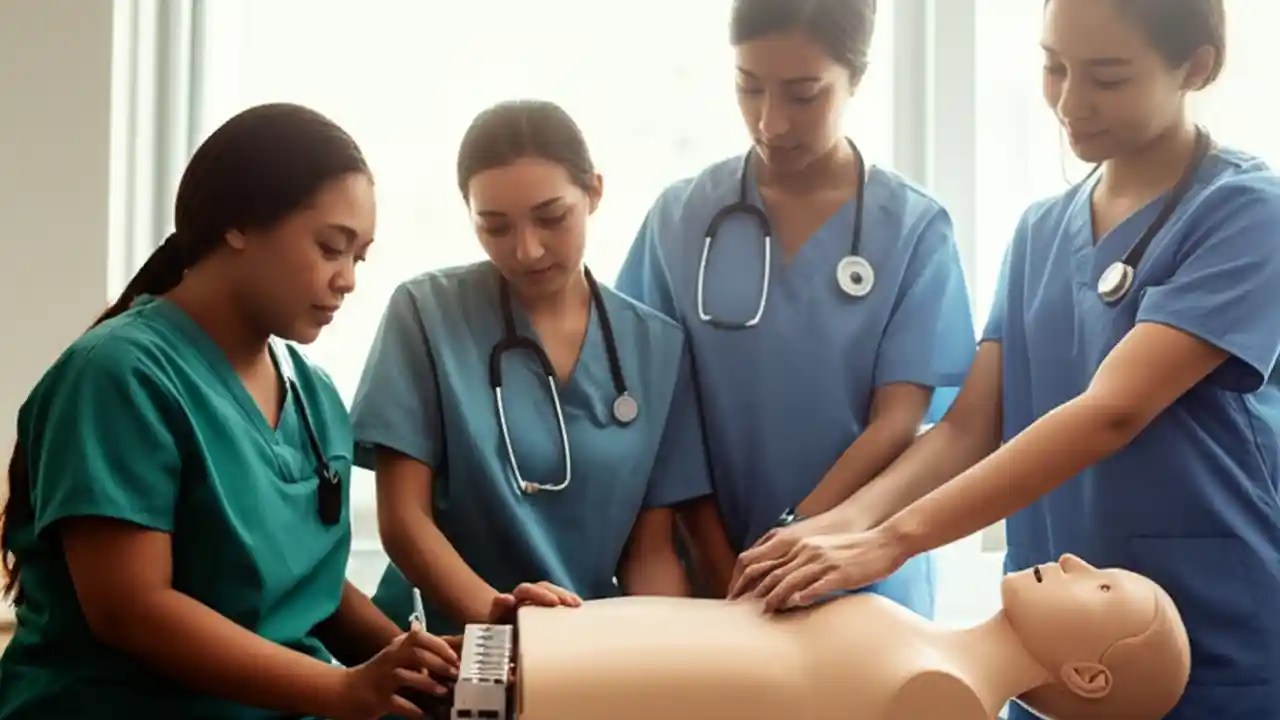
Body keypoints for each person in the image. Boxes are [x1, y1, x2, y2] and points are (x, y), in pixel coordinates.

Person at [732, 0, 1280, 716]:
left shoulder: (1246, 212)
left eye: (1107, 78)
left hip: (1214, 625)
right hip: (1051, 646)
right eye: (1054, 67)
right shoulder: (1041, 231)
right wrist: (837, 526)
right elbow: (967, 429)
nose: (1070, 102)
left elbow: (1112, 412)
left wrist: (892, 542)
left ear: (1197, 66)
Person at [0, 103, 462, 719]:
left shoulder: (312, 394)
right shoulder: (118, 376)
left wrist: (427, 668)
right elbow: (132, 611)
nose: (347, 279)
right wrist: (340, 691)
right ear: (239, 223)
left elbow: (310, 591)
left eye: (360, 258)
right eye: (331, 247)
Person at [614, 0, 975, 612]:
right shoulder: (680, 219)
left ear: (856, 77)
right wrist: (719, 555)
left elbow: (898, 422)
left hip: (860, 570)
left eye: (803, 95)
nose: (770, 122)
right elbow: (657, 412)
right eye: (748, 87)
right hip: (712, 568)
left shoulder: (913, 229)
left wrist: (798, 530)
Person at [349, 99, 713, 637]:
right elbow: (403, 521)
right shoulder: (426, 315)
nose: (527, 249)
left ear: (594, 192)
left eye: (551, 217)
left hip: (580, 648)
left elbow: (649, 552)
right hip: (442, 646)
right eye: (495, 227)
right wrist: (497, 615)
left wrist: (657, 657)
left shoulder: (657, 348)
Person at [511, 555, 1189, 720]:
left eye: (1102, 588)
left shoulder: (946, 700)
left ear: (1088, 678)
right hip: (577, 648)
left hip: (576, 690)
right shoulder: (931, 649)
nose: (1074, 563)